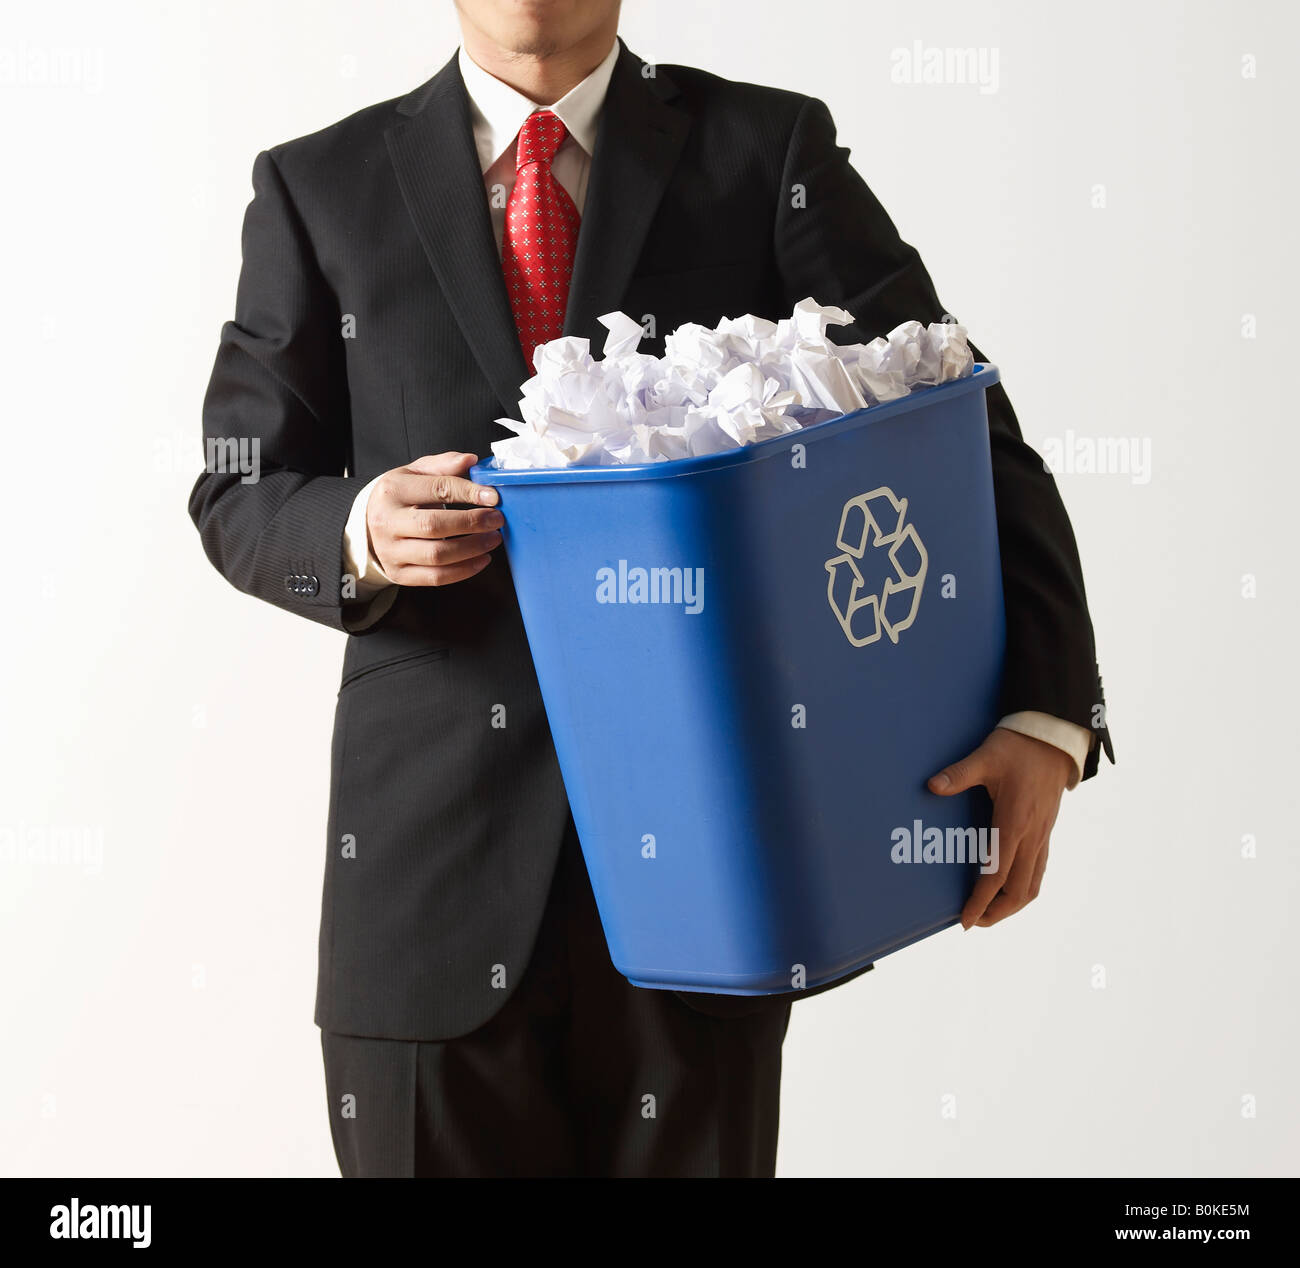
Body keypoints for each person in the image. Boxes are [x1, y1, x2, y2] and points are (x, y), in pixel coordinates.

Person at [190, 0, 1113, 1177]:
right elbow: (239, 484)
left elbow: (958, 418)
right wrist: (362, 526)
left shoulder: (764, 151)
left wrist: (1046, 712)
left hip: (715, 862)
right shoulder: (317, 183)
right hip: (425, 881)